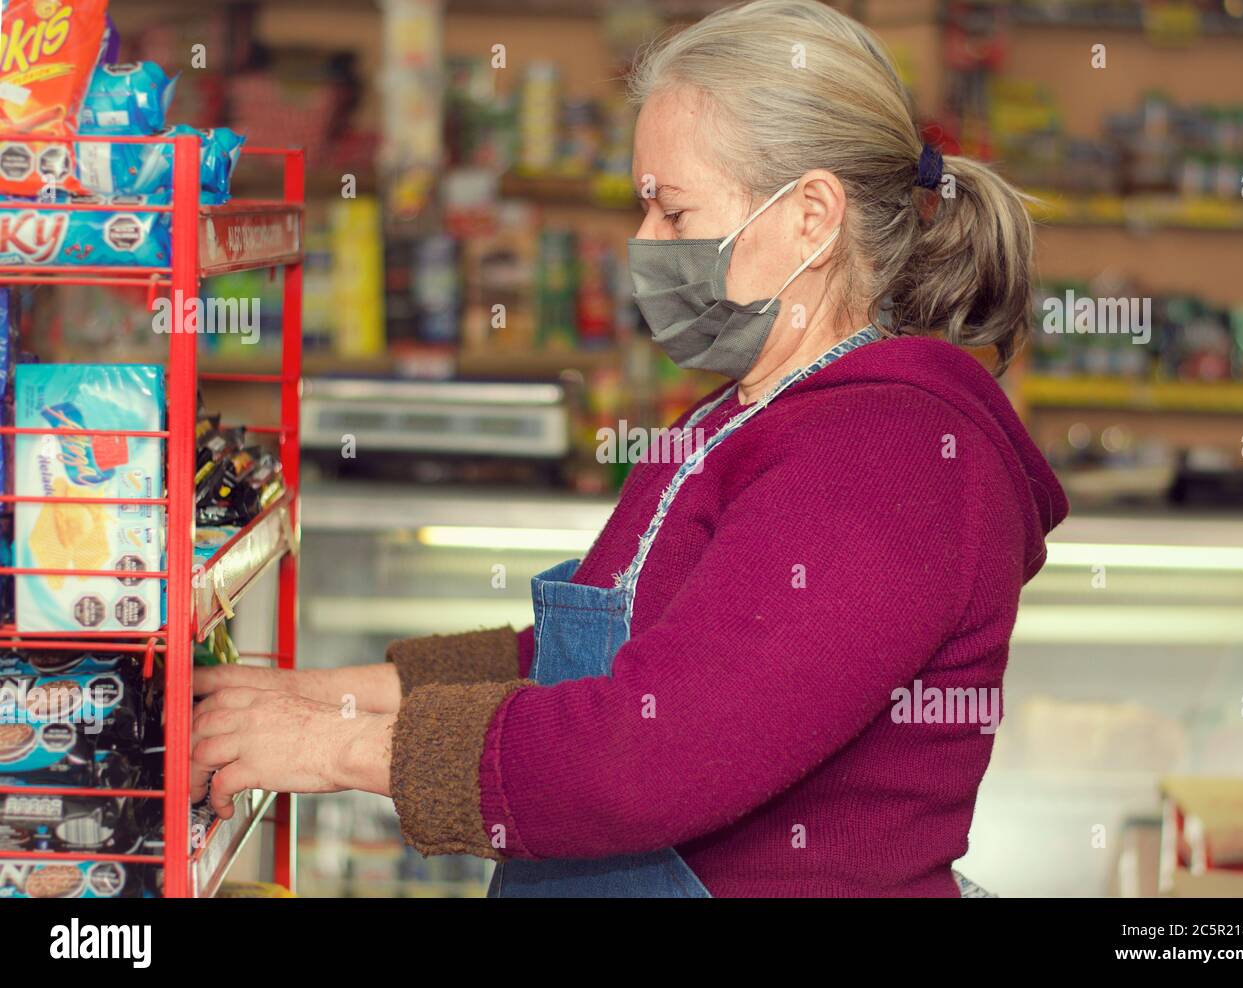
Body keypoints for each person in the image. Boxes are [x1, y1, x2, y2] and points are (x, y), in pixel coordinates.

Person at [190, 0, 1067, 897]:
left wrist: (333, 748)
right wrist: (329, 695)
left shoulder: (889, 455)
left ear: (811, 216)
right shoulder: (747, 408)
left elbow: (654, 750)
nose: (645, 246)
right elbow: (601, 664)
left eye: (675, 212)